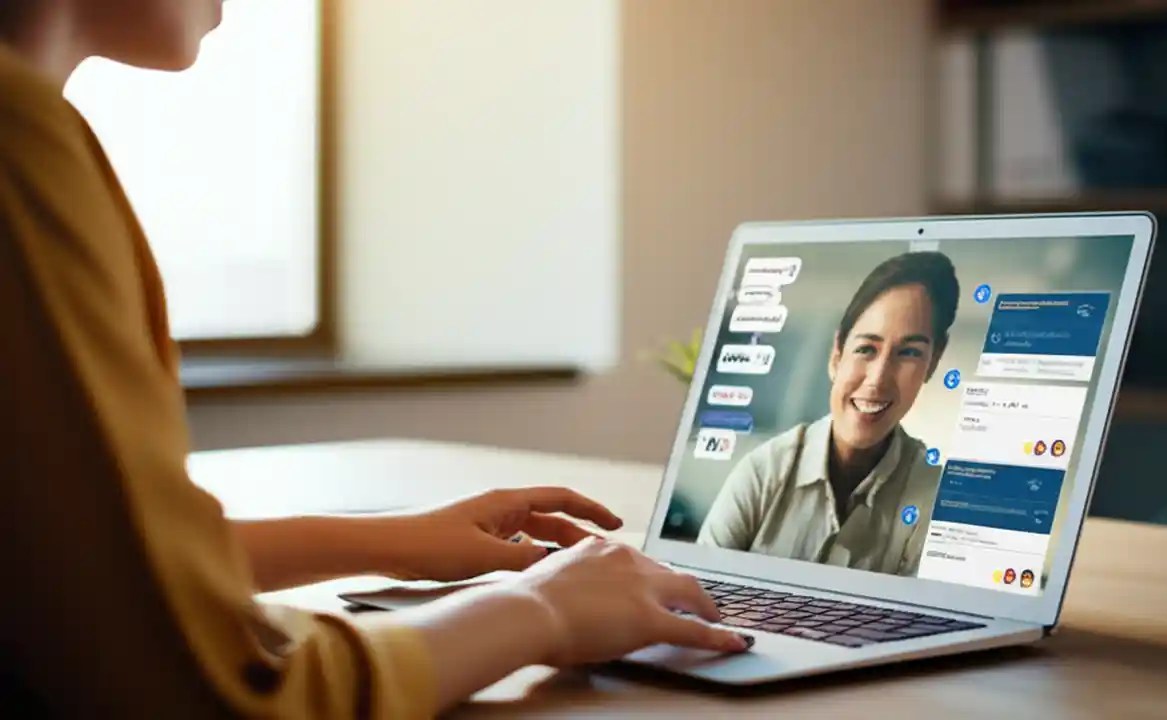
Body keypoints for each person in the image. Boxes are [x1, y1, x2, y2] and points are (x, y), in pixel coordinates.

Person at [0, 1, 748, 716]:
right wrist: (539, 609)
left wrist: (393, 541)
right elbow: (208, 695)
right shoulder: (19, 141)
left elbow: (81, 574)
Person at [697, 251, 959, 575]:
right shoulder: (764, 473)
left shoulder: (936, 499)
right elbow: (696, 596)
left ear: (932, 362)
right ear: (837, 354)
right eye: (866, 349)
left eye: (909, 353)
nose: (877, 380)